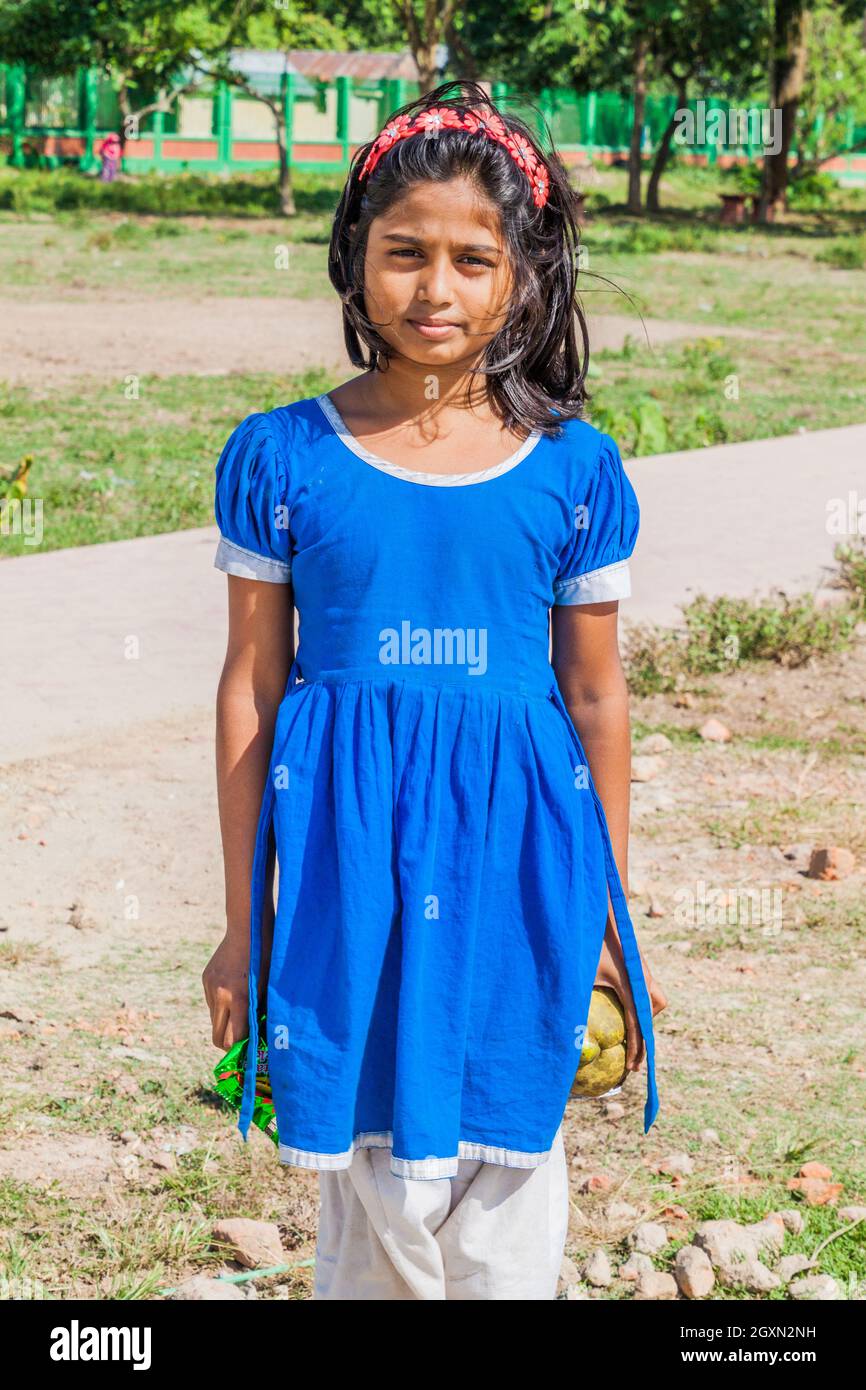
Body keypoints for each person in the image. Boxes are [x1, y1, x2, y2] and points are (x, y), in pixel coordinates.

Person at [202, 79, 668, 1301]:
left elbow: (596, 696)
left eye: (472, 258)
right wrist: (245, 918)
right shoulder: (282, 456)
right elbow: (252, 685)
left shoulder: (572, 469)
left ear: (523, 272)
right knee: (362, 1163)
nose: (435, 288)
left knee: (510, 1127)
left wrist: (610, 911)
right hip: (347, 857)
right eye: (404, 253)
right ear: (353, 257)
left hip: (518, 852)